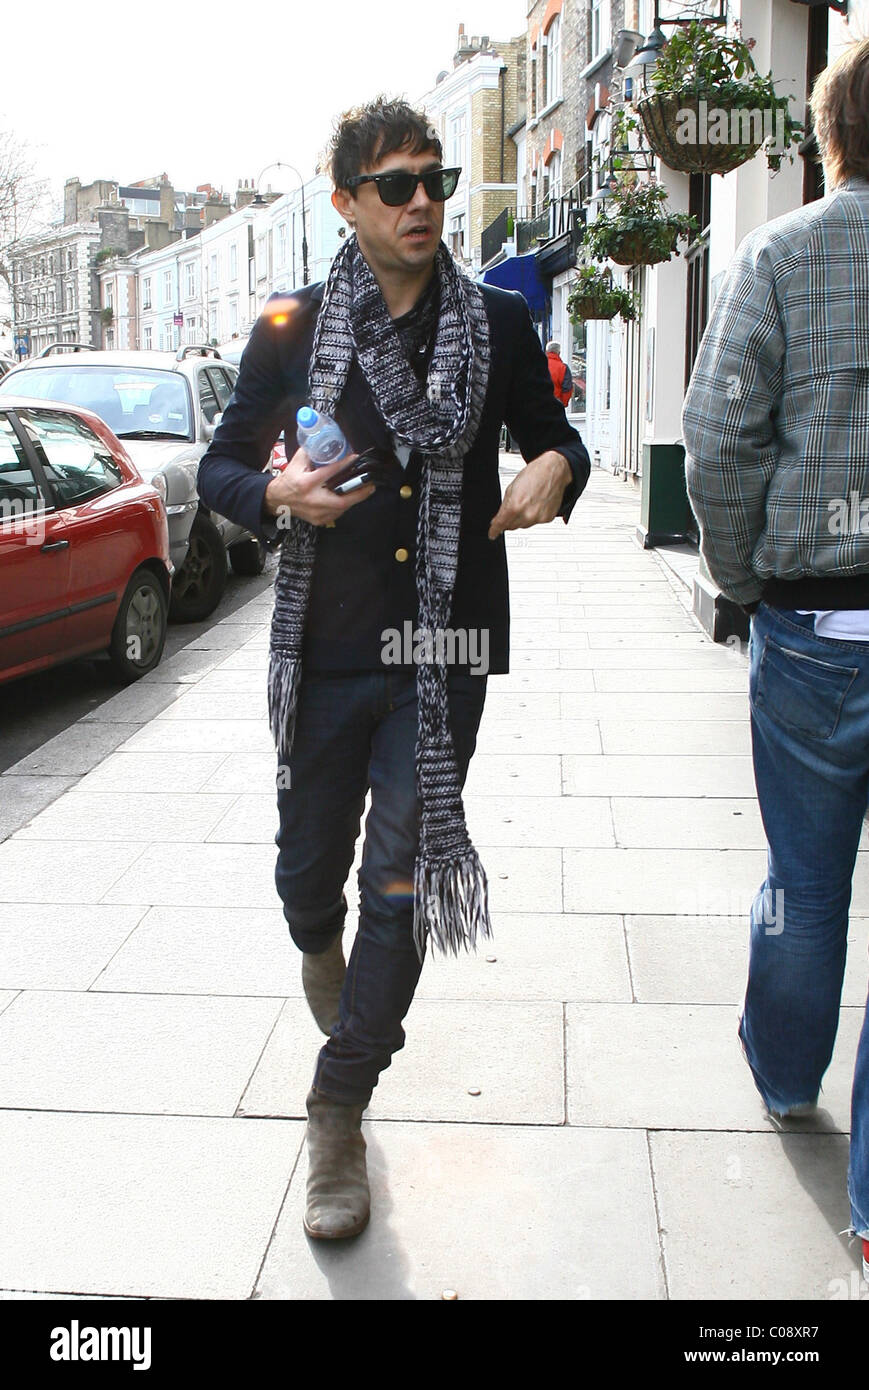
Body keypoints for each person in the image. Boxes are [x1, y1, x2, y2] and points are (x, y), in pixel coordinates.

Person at [197, 97, 590, 1241]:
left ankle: (339, 1100)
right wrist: (277, 493)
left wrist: (552, 472)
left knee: (400, 884)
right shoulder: (290, 330)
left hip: (441, 653)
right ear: (346, 204)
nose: (423, 201)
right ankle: (339, 976)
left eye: (437, 181)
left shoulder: (498, 324)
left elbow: (552, 435)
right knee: (306, 882)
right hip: (322, 655)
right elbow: (223, 467)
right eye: (396, 185)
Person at [682, 39, 869, 1281]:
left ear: (830, 130)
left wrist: (739, 579)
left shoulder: (784, 253)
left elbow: (713, 437)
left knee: (803, 879)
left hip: (816, 628)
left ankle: (788, 1075)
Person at [545, 340, 573, 408]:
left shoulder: (538, 365)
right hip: (555, 404)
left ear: (546, 352)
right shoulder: (563, 368)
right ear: (559, 352)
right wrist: (563, 404)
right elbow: (567, 388)